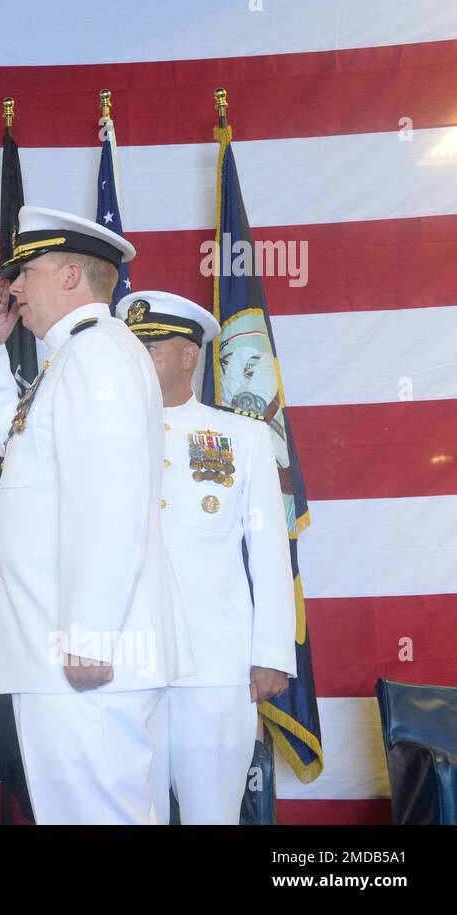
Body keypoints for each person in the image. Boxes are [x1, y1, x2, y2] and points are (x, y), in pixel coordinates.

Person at [0, 206, 192, 824]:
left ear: (69, 278)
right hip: (69, 650)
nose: (13, 288)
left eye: (24, 271)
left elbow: (111, 500)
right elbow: (16, 441)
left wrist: (88, 630)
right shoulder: (74, 359)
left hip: (84, 651)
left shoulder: (97, 358)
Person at [116, 290, 295, 824]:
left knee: (211, 815)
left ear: (189, 355)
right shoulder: (104, 435)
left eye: (150, 346)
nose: (136, 357)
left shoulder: (243, 437)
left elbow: (268, 550)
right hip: (125, 660)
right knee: (128, 812)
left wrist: (271, 653)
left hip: (216, 663)